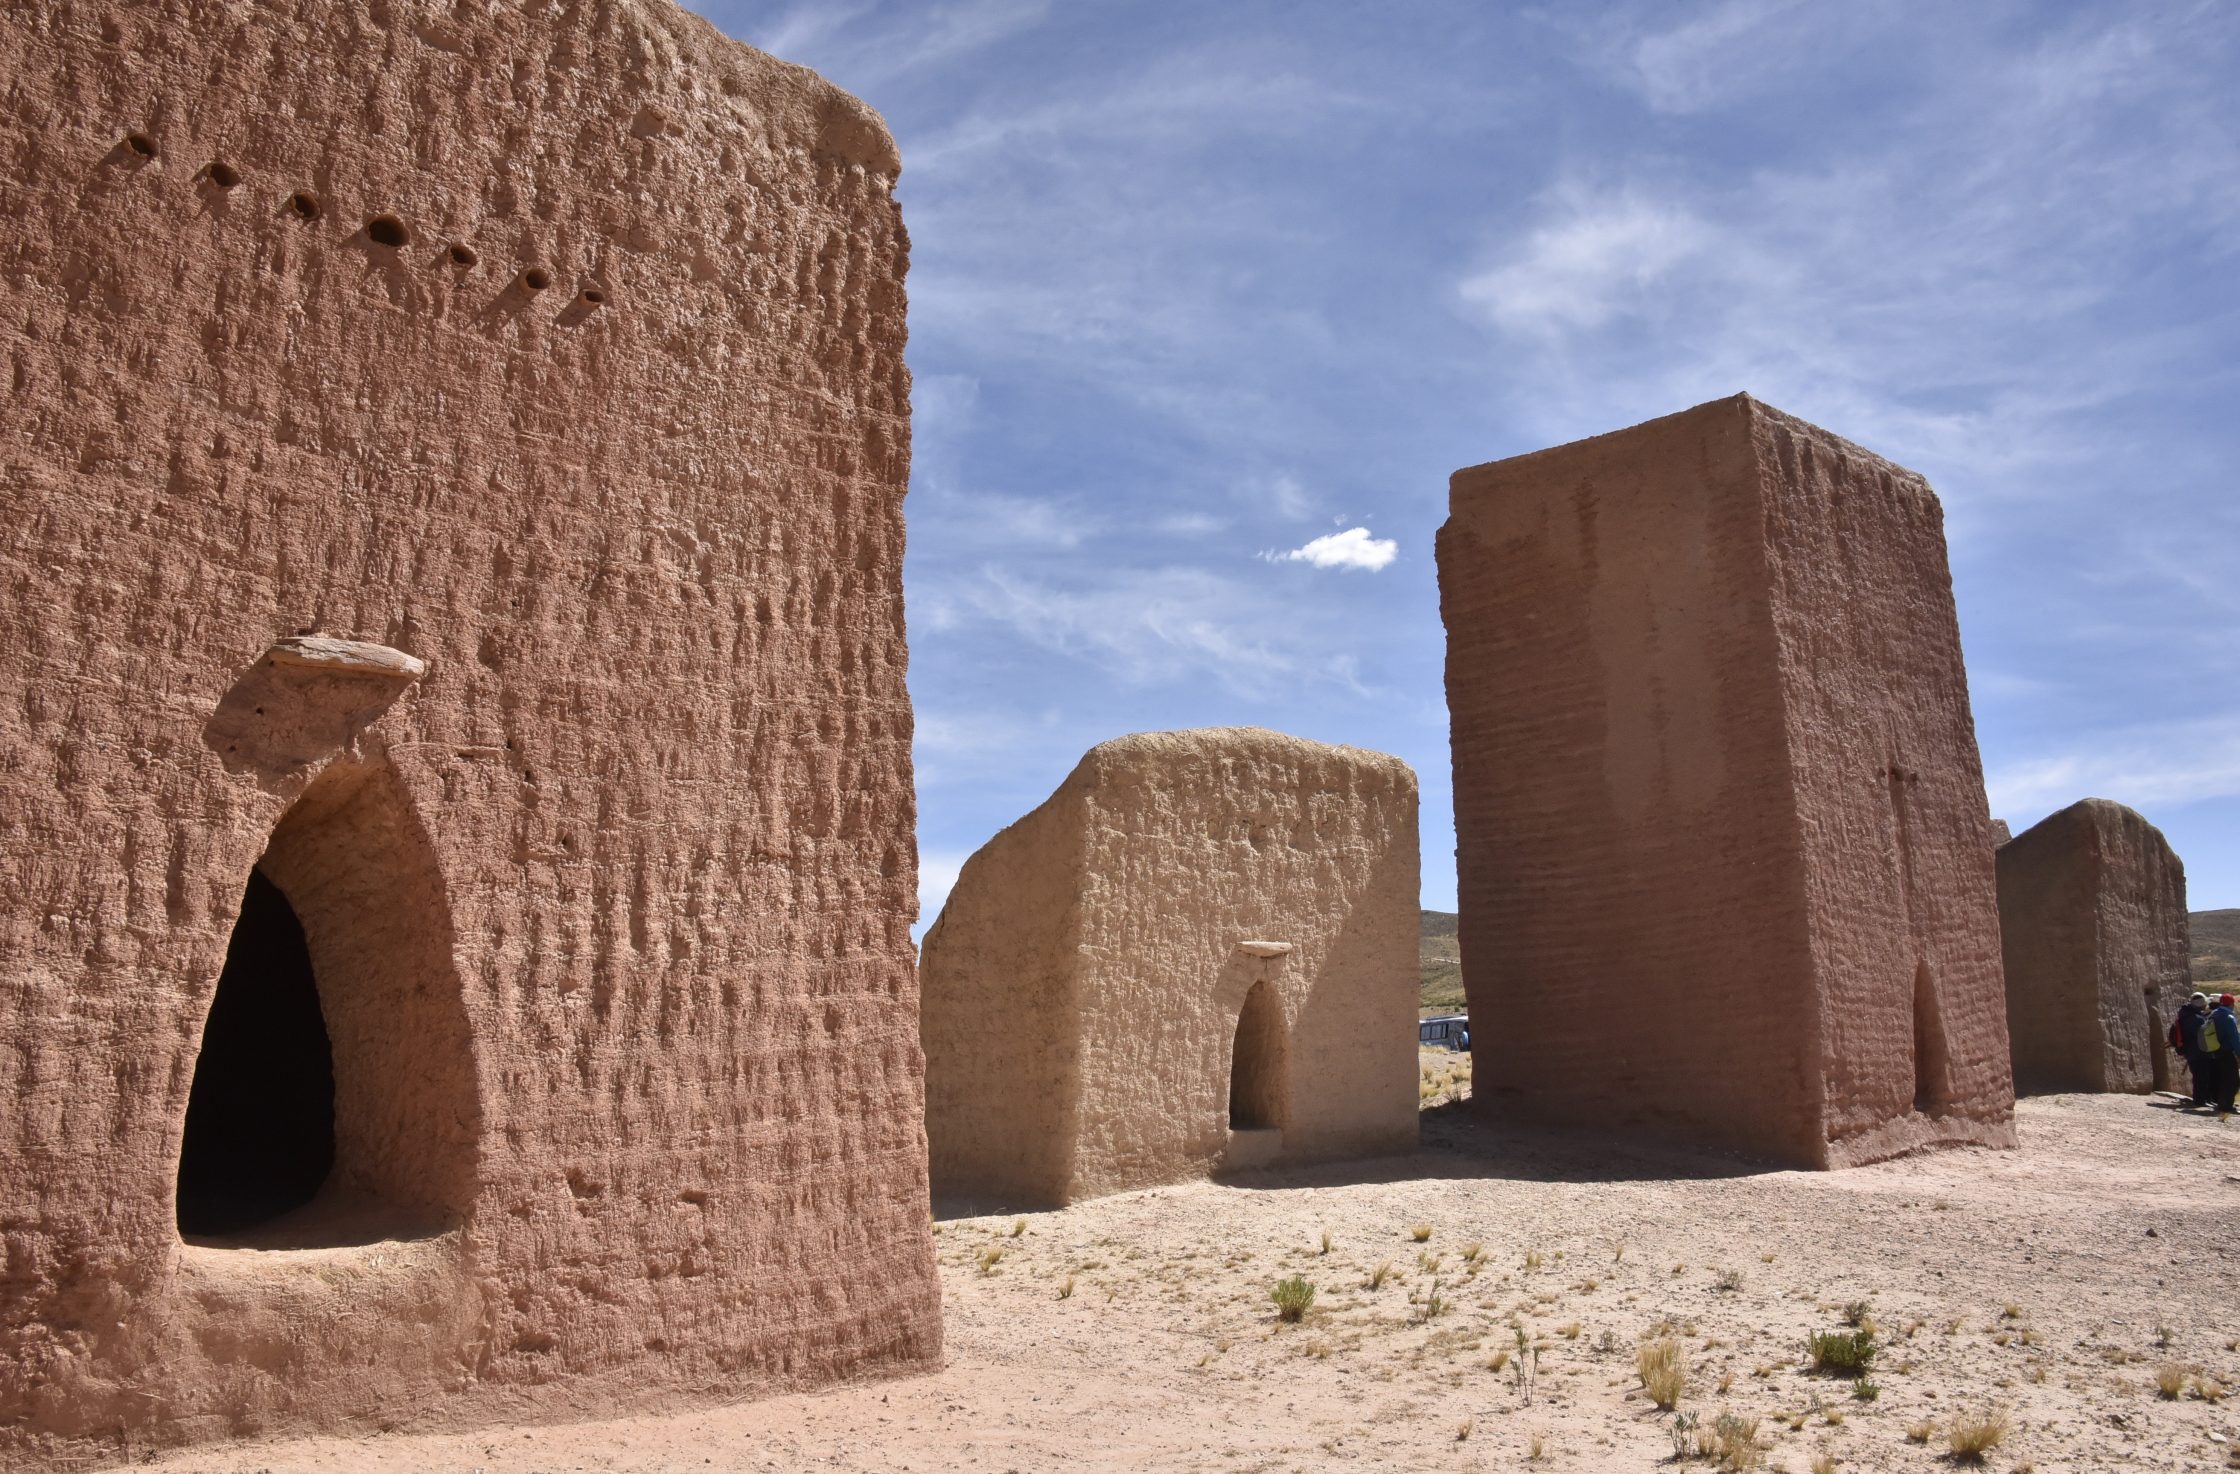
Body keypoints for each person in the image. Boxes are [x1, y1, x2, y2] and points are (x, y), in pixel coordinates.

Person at [2173, 992, 2214, 1108]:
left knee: (2199, 1076)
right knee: (2201, 1076)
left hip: (2192, 1051)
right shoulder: (2196, 1018)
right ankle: (2200, 1100)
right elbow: (2201, 1035)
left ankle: (2202, 1099)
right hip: (2199, 1051)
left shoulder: (2187, 1016)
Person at [2211, 994, 2240, 1116]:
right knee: (2232, 1079)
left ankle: (2221, 1103)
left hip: (2215, 1050)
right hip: (2226, 1051)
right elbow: (2234, 1037)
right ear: (2231, 1004)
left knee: (2222, 1078)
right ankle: (2227, 1105)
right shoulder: (2228, 1017)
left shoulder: (2214, 1014)